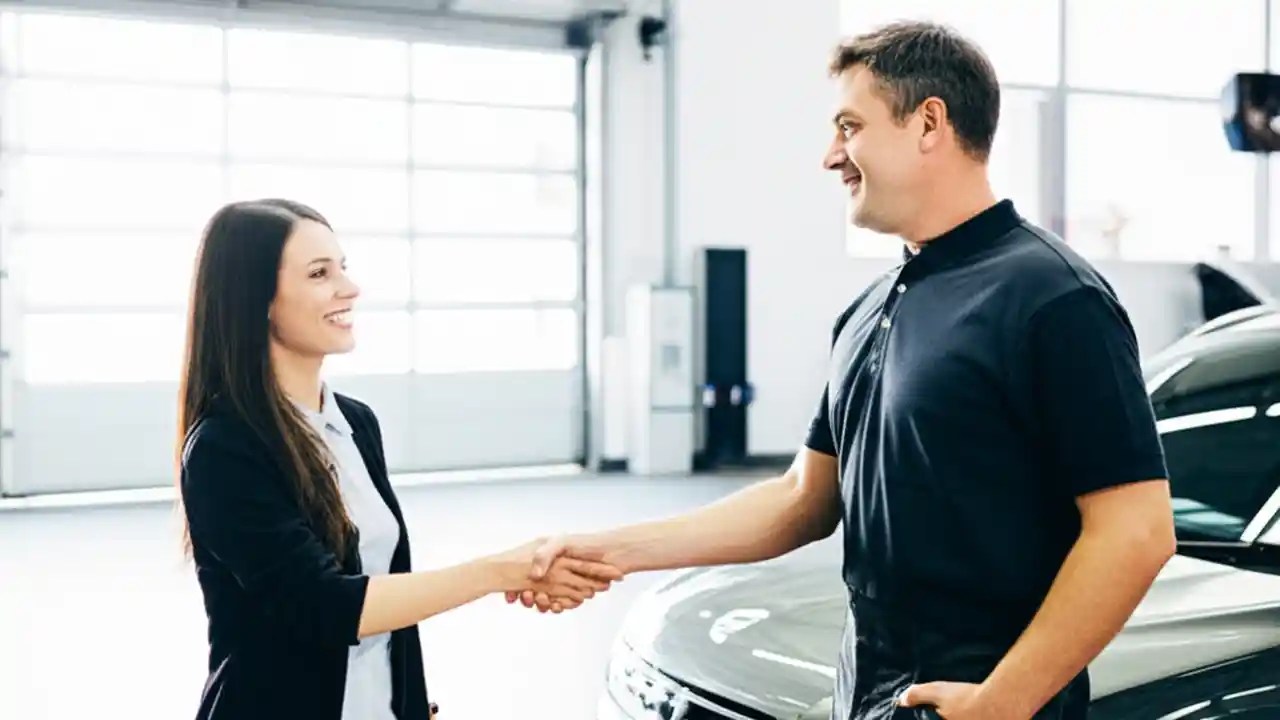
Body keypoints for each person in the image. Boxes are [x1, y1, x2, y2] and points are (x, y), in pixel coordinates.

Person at [509, 21, 1176, 720]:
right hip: (865, 689)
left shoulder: (1054, 297)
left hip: (977, 697)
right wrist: (604, 551)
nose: (832, 156)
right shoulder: (872, 307)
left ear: (928, 123)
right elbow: (802, 498)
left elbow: (1134, 530)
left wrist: (1001, 704)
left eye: (849, 127)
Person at [176, 199, 622, 720]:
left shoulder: (356, 424)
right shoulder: (224, 448)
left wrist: (406, 701)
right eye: (320, 273)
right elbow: (327, 607)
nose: (349, 287)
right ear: (258, 300)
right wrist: (504, 570)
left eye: (343, 266)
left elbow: (384, 588)